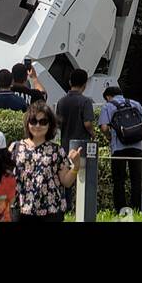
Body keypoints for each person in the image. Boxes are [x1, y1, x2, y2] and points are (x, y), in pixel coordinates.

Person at [9, 101, 80, 222]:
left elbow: (66, 182)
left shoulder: (57, 150)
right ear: (27, 123)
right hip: (20, 209)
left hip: (51, 211)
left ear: (50, 125)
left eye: (43, 122)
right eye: (33, 121)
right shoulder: (15, 148)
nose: (37, 125)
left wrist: (76, 166)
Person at [99, 85, 142, 214]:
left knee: (119, 180)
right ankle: (137, 208)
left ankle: (120, 208)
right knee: (136, 179)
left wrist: (109, 138)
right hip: (136, 146)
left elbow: (104, 128)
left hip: (119, 147)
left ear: (108, 97)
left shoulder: (108, 106)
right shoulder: (135, 103)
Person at [56, 69, 95, 210]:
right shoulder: (85, 101)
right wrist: (93, 133)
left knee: (67, 177)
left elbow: (58, 124)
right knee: (83, 177)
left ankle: (67, 206)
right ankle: (82, 206)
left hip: (65, 145)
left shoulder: (61, 102)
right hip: (82, 146)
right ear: (85, 84)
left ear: (70, 82)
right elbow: (88, 123)